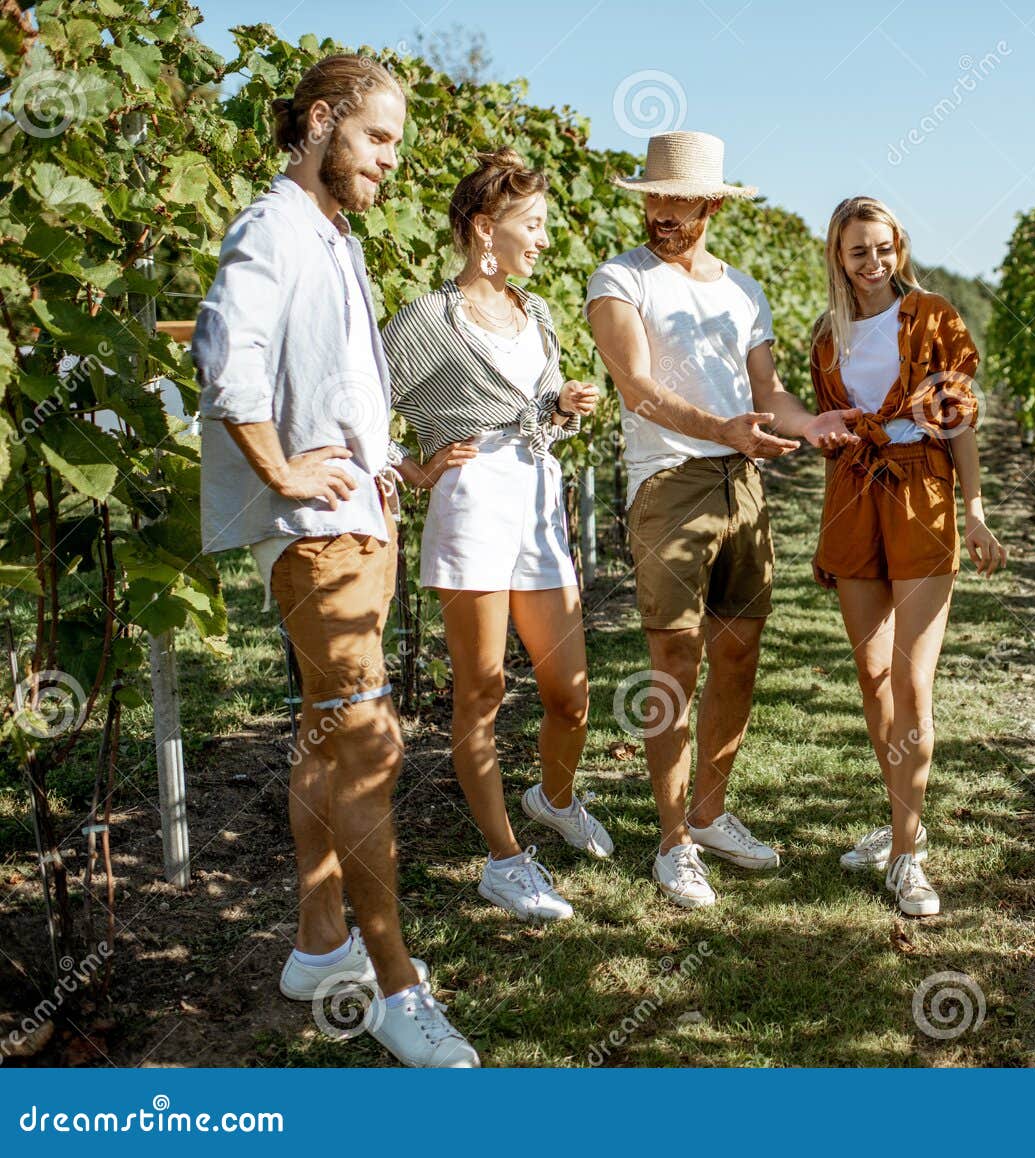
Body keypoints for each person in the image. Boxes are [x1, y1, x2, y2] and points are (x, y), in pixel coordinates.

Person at [193, 54, 477, 1066]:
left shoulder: (332, 235)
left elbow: (327, 381)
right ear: (320, 121)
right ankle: (399, 989)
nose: (392, 162)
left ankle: (319, 947)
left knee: (325, 737)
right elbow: (227, 363)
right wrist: (281, 469)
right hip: (316, 536)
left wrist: (380, 461)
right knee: (372, 746)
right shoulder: (274, 226)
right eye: (379, 138)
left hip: (357, 519)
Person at [585, 131, 858, 907]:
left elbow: (766, 395)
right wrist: (724, 430)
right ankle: (671, 842)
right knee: (674, 663)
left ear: (710, 205)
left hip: (743, 484)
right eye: (653, 200)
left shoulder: (742, 290)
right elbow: (635, 389)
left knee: (738, 653)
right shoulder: (619, 280)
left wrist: (814, 426)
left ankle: (708, 814)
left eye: (678, 201)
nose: (662, 214)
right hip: (670, 483)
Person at [381, 148, 609, 924]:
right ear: (487, 229)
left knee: (569, 695)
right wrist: (407, 466)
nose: (543, 239)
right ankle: (505, 862)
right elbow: (351, 393)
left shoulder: (536, 313)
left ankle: (552, 799)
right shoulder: (428, 320)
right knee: (481, 691)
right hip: (472, 504)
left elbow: (531, 410)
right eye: (533, 224)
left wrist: (561, 405)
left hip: (540, 507)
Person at [809, 196, 1008, 917]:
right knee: (871, 674)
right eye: (858, 250)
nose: (873, 263)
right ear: (838, 255)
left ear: (901, 247)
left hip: (921, 490)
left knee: (910, 683)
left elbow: (958, 420)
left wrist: (976, 512)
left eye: (884, 248)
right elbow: (829, 423)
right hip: (854, 492)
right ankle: (897, 817)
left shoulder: (932, 317)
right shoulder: (826, 336)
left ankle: (908, 855)